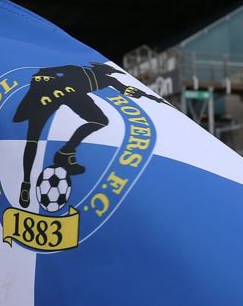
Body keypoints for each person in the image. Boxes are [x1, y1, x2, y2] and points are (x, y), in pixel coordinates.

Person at [12, 63, 166, 208]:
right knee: (33, 137)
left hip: (73, 95)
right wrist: (43, 83)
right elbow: (45, 71)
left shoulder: (107, 79)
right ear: (96, 69)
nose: (108, 73)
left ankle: (66, 152)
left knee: (100, 120)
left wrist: (149, 96)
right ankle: (26, 183)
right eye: (107, 71)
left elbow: (125, 89)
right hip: (50, 94)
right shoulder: (75, 69)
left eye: (109, 72)